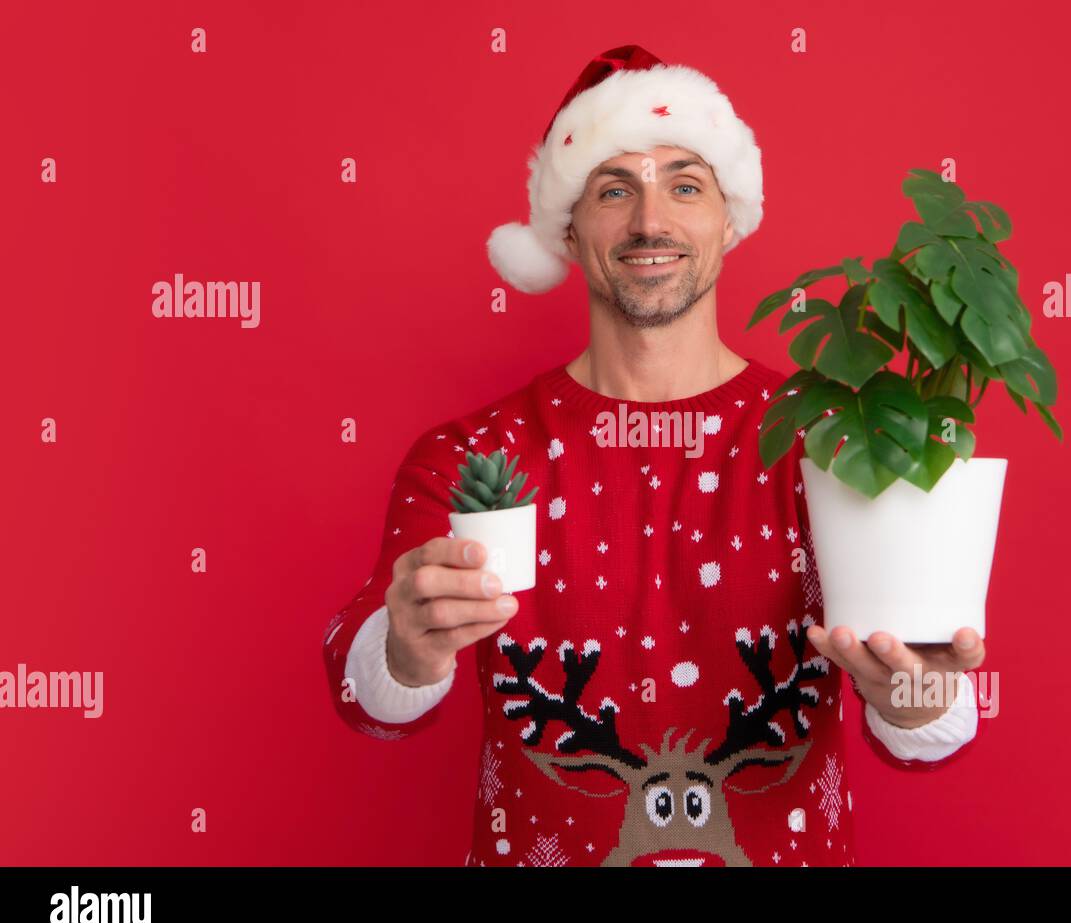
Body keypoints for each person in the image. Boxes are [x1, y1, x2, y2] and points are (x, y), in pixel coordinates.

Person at [322, 44, 984, 867]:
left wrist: (913, 693)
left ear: (729, 218)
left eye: (684, 185)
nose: (649, 222)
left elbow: (931, 735)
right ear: (567, 226)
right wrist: (407, 649)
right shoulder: (472, 455)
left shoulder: (831, 443)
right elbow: (368, 701)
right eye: (613, 190)